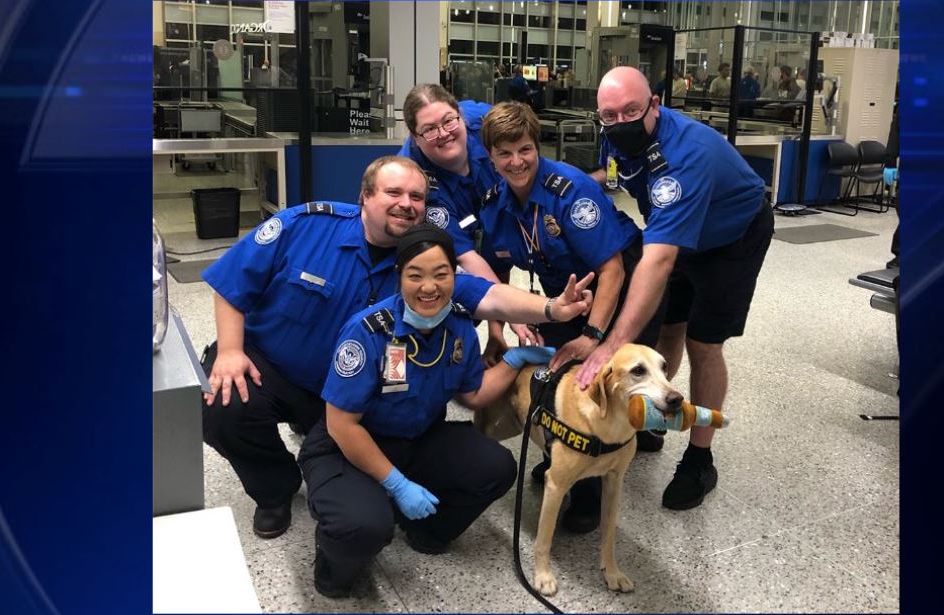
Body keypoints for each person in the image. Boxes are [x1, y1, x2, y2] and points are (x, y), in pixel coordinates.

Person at [200, 155, 594, 540]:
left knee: (383, 471)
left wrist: (551, 309)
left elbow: (489, 296)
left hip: (360, 399)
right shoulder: (305, 226)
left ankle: (362, 483)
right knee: (222, 403)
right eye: (394, 192)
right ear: (365, 197)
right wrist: (232, 350)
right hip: (280, 370)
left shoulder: (420, 263)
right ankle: (274, 490)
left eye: (417, 197)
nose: (406, 204)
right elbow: (233, 283)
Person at [299, 224, 575, 597]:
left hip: (417, 438)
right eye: (415, 275)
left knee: (495, 467)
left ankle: (427, 532)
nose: (429, 287)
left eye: (441, 274)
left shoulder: (457, 326)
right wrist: (396, 483)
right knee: (361, 528)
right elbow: (343, 425)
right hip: (346, 447)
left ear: (454, 277)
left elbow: (473, 395)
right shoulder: (367, 333)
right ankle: (334, 559)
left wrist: (515, 358)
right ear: (399, 277)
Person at [582, 66, 774, 511]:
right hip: (681, 231)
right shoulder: (615, 133)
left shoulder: (687, 154)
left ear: (656, 103)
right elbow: (617, 172)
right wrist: (585, 183)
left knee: (703, 341)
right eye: (609, 115)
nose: (620, 121)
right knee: (669, 330)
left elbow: (659, 259)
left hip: (733, 239)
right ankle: (655, 416)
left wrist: (612, 344)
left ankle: (700, 458)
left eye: (632, 110)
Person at [477, 101, 668, 531]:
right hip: (567, 289)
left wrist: (595, 336)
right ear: (490, 157)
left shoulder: (570, 192)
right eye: (504, 154)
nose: (516, 161)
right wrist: (497, 329)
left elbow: (612, 269)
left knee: (599, 369)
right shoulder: (494, 203)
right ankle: (563, 455)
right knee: (559, 371)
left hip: (624, 276)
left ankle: (589, 489)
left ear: (536, 146)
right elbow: (495, 273)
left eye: (524, 149)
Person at [400, 84, 541, 364]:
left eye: (449, 120)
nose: (443, 133)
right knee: (451, 307)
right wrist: (511, 312)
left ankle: (495, 335)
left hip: (491, 219)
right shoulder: (416, 180)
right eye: (429, 129)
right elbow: (466, 256)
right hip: (449, 248)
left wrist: (500, 325)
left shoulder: (486, 124)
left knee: (499, 247)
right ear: (415, 138)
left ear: (461, 115)